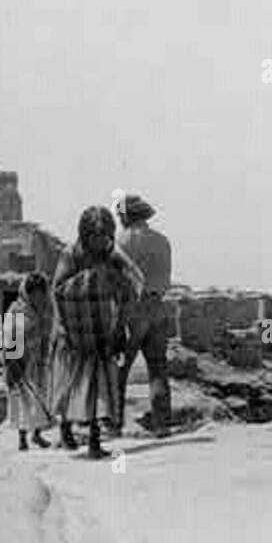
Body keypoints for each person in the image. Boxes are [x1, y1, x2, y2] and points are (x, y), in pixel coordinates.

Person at [50, 205, 143, 459]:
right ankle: (66, 427)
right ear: (85, 234)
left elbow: (133, 282)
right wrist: (92, 279)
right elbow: (58, 291)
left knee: (99, 389)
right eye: (95, 237)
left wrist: (115, 281)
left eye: (105, 237)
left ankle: (93, 440)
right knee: (74, 388)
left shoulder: (113, 256)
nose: (100, 242)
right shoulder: (70, 255)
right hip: (73, 334)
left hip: (102, 333)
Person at [115, 194, 173, 435]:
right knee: (157, 370)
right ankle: (161, 424)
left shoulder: (120, 241)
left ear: (126, 216)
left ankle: (114, 424)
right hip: (157, 308)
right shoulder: (163, 241)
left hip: (131, 310)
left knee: (118, 370)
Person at [4, 272, 53, 451]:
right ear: (27, 293)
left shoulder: (46, 311)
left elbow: (48, 334)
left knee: (40, 398)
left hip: (39, 363)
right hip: (21, 363)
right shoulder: (16, 310)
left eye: (41, 293)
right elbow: (10, 338)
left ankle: (37, 434)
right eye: (35, 294)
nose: (38, 298)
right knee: (22, 401)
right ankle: (22, 438)